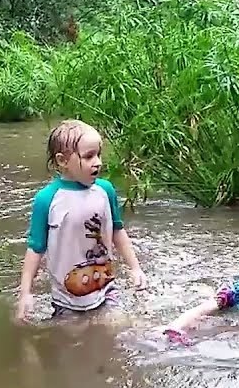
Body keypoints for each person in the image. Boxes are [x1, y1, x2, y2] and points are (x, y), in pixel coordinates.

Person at [16, 119, 148, 323]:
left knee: (118, 326)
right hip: (66, 297)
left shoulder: (105, 191)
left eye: (98, 154)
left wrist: (135, 268)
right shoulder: (47, 199)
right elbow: (35, 248)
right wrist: (25, 294)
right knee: (71, 341)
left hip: (105, 287)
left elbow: (117, 231)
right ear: (62, 161)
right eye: (88, 156)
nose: (98, 162)